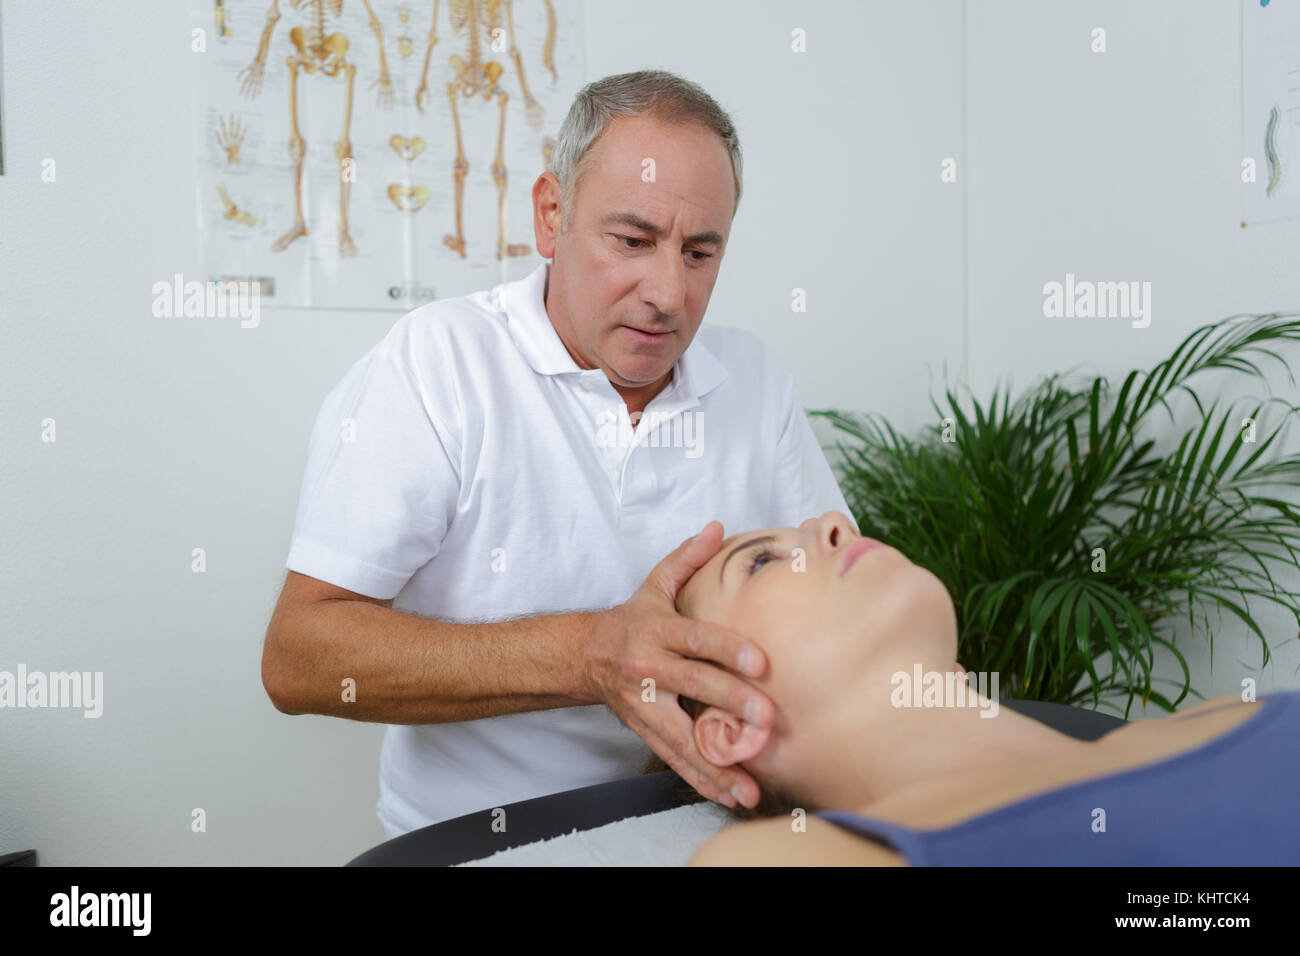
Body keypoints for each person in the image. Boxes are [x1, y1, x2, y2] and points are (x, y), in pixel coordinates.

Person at [261, 70, 854, 837]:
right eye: (633, 241)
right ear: (552, 216)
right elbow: (299, 657)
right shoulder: (440, 361)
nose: (669, 292)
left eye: (700, 253)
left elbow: (839, 606)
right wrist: (592, 656)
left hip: (695, 822)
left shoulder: (755, 381)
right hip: (478, 842)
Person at [666, 511, 1300, 865]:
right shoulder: (783, 862)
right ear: (727, 728)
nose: (835, 523)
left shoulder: (1222, 716)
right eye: (762, 561)